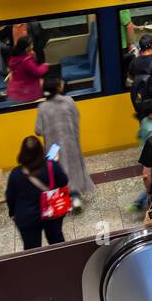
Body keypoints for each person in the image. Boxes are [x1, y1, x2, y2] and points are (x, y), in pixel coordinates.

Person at [33, 74, 94, 212]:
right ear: (58, 87)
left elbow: (38, 130)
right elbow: (76, 118)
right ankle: (75, 196)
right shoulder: (69, 101)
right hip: (70, 142)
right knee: (73, 167)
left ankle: (61, 199)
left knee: (55, 170)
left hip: (53, 148)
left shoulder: (42, 107)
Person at [6, 136, 69, 249]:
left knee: (32, 249)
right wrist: (56, 163)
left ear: (23, 153)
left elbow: (10, 197)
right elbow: (64, 181)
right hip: (52, 212)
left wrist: (12, 213)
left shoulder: (16, 174)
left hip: (27, 217)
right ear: (41, 151)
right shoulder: (51, 166)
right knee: (57, 244)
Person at [6, 36, 48, 103]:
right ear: (27, 48)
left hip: (15, 90)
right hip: (27, 91)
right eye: (31, 44)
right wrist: (45, 66)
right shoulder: (27, 61)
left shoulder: (14, 58)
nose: (33, 46)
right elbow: (38, 72)